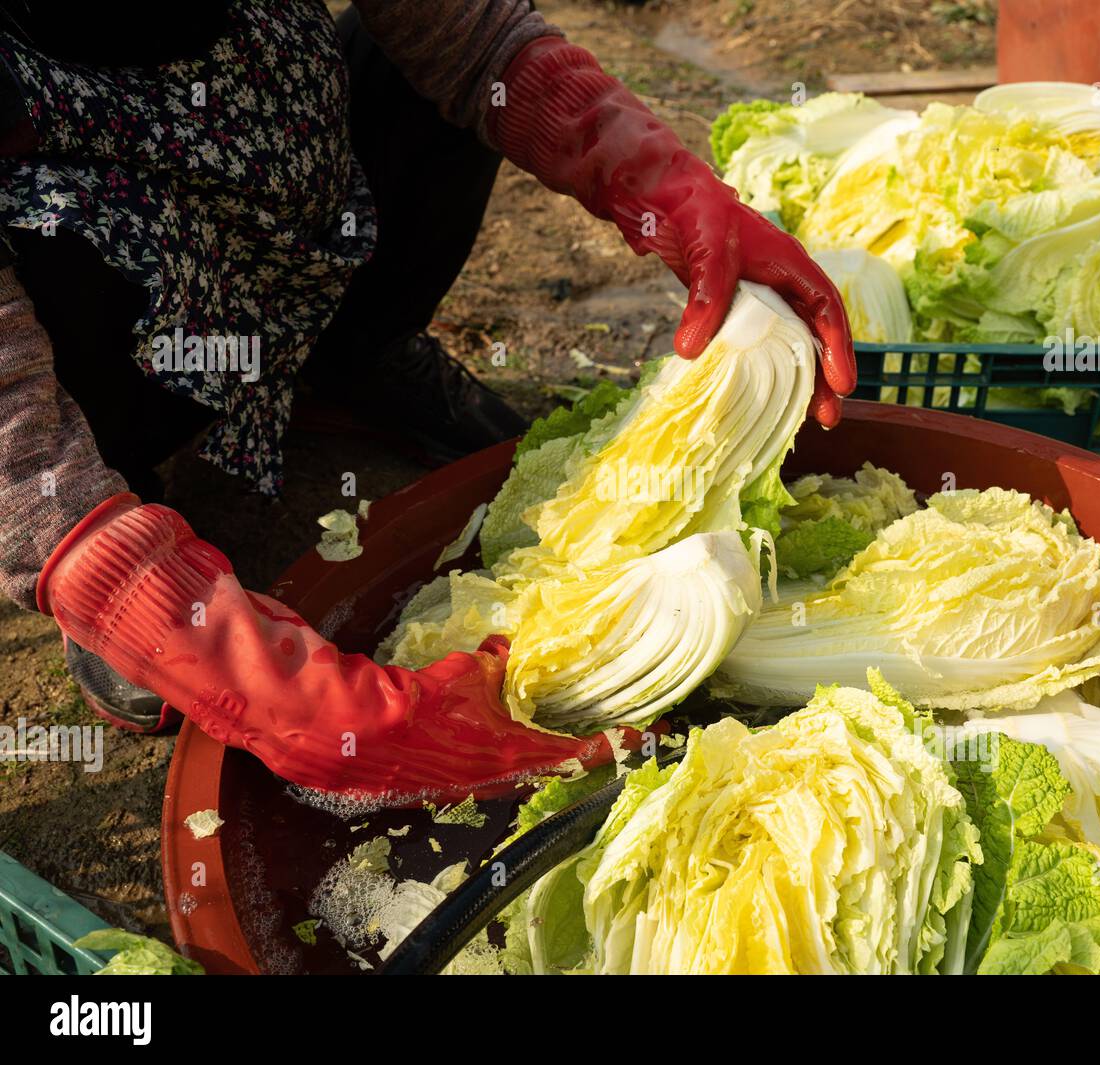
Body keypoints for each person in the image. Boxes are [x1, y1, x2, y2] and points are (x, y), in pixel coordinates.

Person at [0, 1, 853, 792]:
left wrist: (654, 177)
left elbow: (471, 30)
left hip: (250, 136)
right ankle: (116, 492)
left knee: (438, 70)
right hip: (80, 256)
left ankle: (350, 357)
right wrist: (118, 583)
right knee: (60, 239)